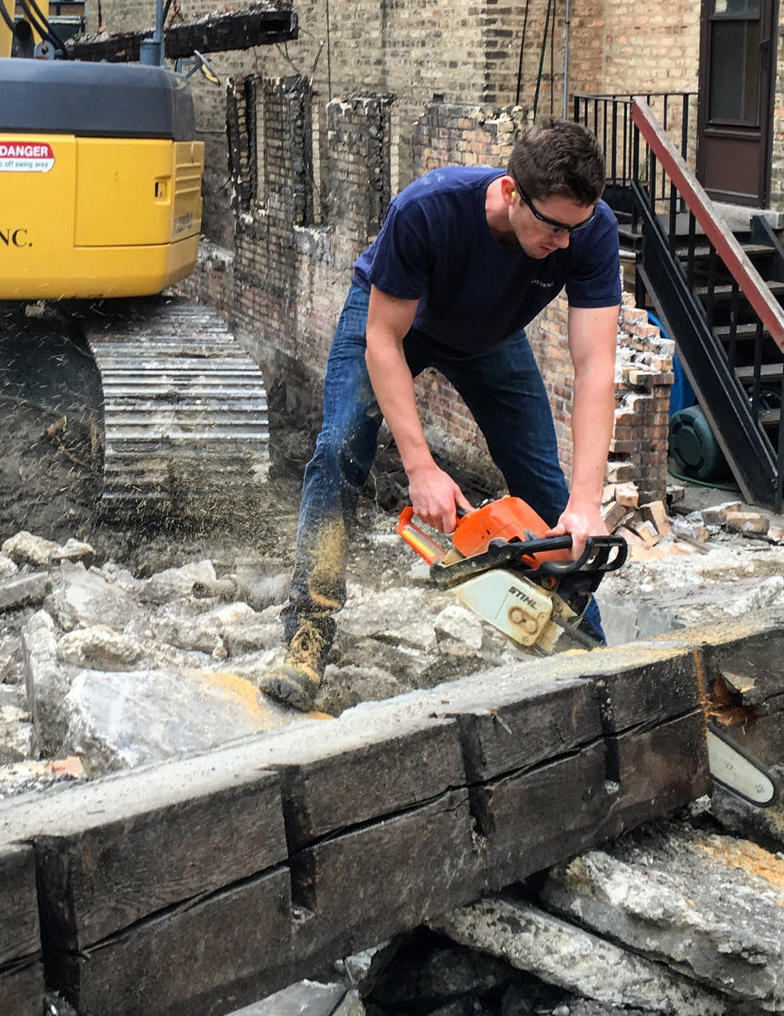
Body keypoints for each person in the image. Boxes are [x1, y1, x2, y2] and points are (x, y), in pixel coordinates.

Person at [259, 117, 621, 711]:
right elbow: (382, 340)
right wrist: (421, 464)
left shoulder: (588, 231)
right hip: (397, 325)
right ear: (510, 191)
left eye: (575, 229)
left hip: (490, 340)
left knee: (547, 490)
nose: (565, 243)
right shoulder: (428, 210)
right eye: (554, 227)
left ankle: (590, 653)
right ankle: (307, 632)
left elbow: (595, 366)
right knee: (339, 447)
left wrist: (586, 502)